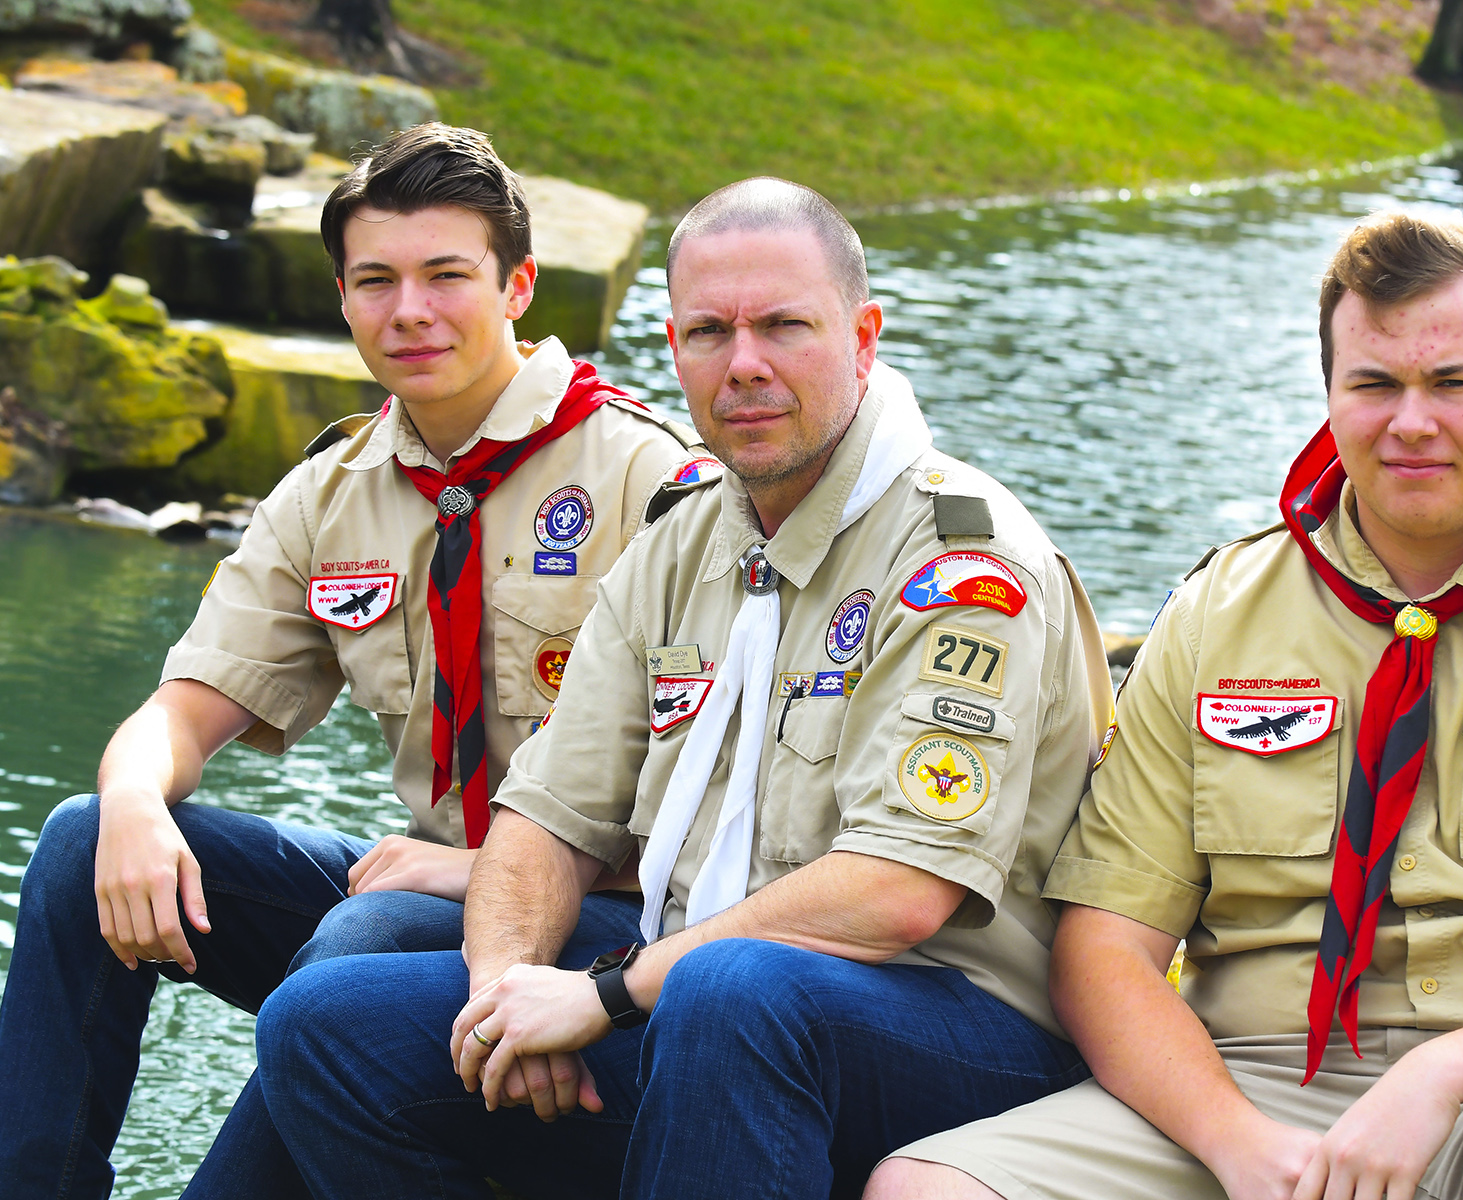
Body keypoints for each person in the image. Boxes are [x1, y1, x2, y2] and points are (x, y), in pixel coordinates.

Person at [206, 176, 1112, 1200]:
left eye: (784, 326)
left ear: (864, 336)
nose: (746, 366)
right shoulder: (684, 545)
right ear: (674, 348)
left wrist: (605, 996)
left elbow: (897, 892)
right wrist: (509, 995)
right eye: (709, 333)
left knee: (733, 990)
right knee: (325, 1025)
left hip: (956, 1021)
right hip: (702, 980)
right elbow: (547, 815)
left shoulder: (961, 565)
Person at [870, 210, 1463, 1200]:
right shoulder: (1219, 611)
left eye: (1453, 383)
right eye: (1374, 384)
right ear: (1329, 394)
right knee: (929, 1188)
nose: (1411, 421)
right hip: (1268, 1088)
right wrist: (1236, 1145)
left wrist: (1443, 1073)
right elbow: (1107, 952)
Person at [0, 122, 699, 1198]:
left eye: (445, 275)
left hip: (612, 913)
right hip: (421, 882)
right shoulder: (336, 487)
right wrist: (137, 800)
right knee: (83, 837)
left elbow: (725, 821)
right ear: (341, 295)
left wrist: (480, 875)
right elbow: (181, 714)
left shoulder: (652, 485)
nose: (408, 311)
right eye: (375, 280)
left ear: (518, 286)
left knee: (364, 930)